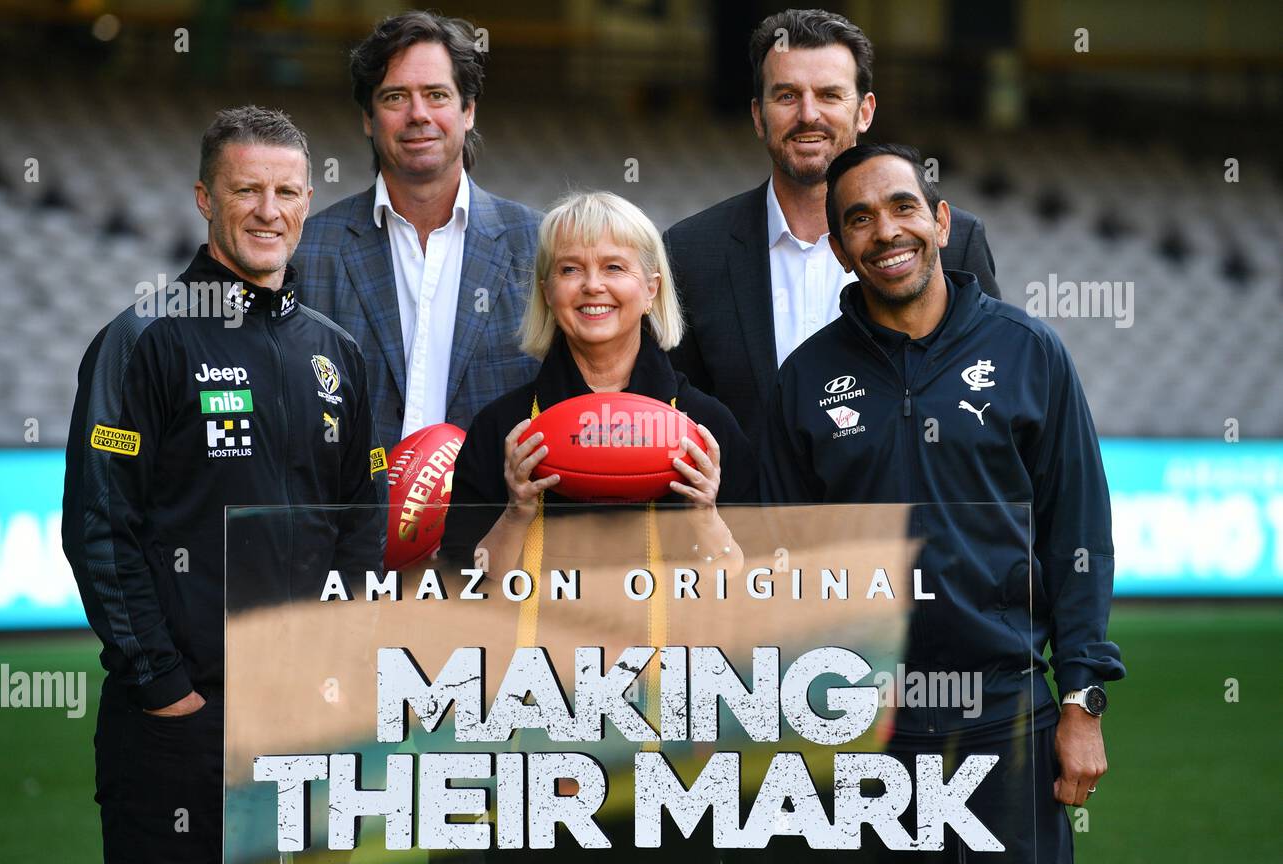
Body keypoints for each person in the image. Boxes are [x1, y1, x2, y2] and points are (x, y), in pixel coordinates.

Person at [761, 143, 1124, 864]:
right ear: (838, 249)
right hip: (858, 726)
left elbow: (1077, 534)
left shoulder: (1030, 352)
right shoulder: (804, 379)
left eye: (903, 207)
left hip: (1005, 715)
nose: (886, 232)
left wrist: (1082, 700)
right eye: (859, 220)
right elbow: (782, 563)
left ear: (942, 221)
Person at [62, 106, 386, 864]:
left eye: (288, 192)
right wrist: (165, 688)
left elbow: (361, 521)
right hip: (181, 726)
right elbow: (100, 528)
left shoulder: (337, 355)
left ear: (309, 200)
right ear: (206, 199)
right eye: (247, 191)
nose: (269, 212)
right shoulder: (144, 337)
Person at [664, 8, 1000, 450]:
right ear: (758, 115)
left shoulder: (950, 241)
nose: (808, 115)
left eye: (829, 95)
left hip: (904, 517)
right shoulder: (689, 252)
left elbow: (992, 389)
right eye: (786, 96)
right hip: (748, 518)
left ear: (864, 110)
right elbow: (672, 415)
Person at [442, 191, 756, 579]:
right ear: (547, 292)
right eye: (570, 269)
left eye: (613, 267)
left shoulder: (708, 426)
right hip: (534, 642)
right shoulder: (503, 428)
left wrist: (706, 517)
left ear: (651, 289)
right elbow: (458, 585)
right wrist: (516, 511)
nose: (592, 285)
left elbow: (752, 585)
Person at [294, 10, 542, 450]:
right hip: (350, 517)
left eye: (436, 95)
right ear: (368, 119)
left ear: (468, 111)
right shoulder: (308, 251)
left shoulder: (539, 247)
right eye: (395, 97)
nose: (418, 114)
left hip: (495, 516)